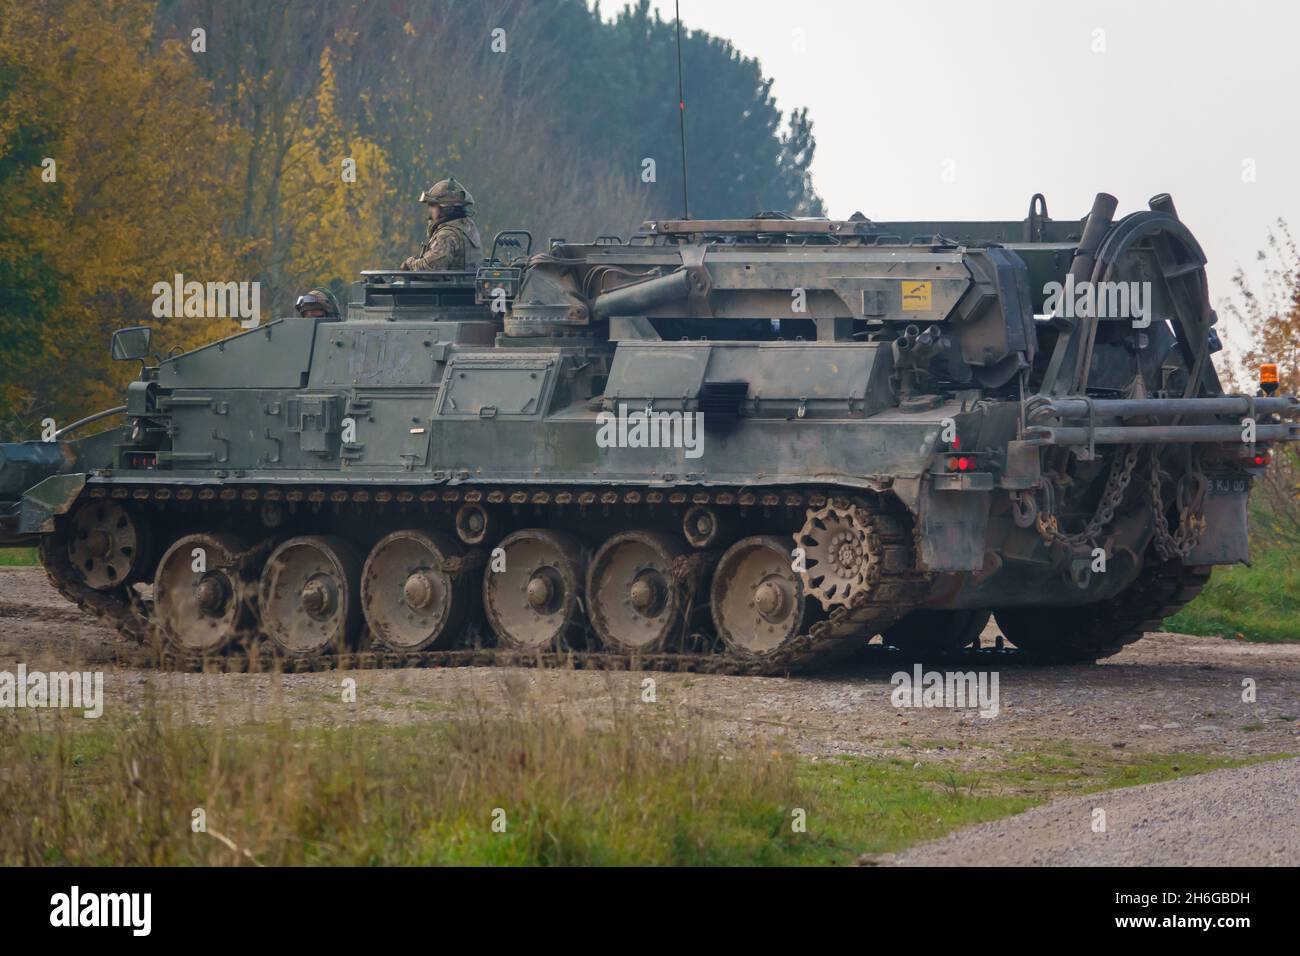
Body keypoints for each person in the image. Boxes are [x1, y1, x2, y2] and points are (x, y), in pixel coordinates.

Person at [399, 177, 483, 271]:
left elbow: (430, 268)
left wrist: (409, 263)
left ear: (446, 208)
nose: (429, 210)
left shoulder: (447, 235)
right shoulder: (468, 227)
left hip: (450, 285)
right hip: (466, 284)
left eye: (432, 205)